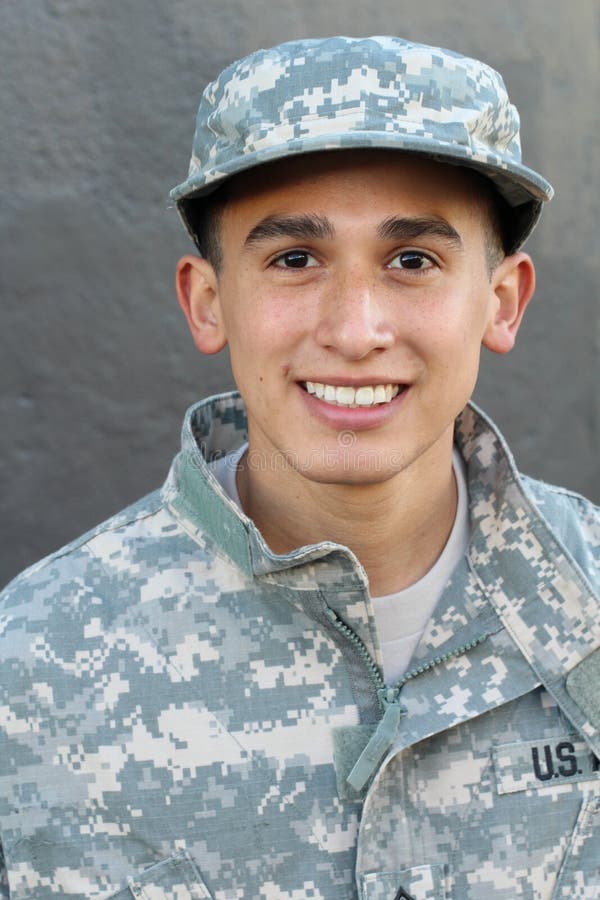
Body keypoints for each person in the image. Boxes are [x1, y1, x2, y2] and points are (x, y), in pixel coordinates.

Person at [0, 34, 598, 900]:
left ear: (501, 303)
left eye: (413, 261)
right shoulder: (33, 672)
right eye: (294, 259)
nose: (355, 332)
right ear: (209, 302)